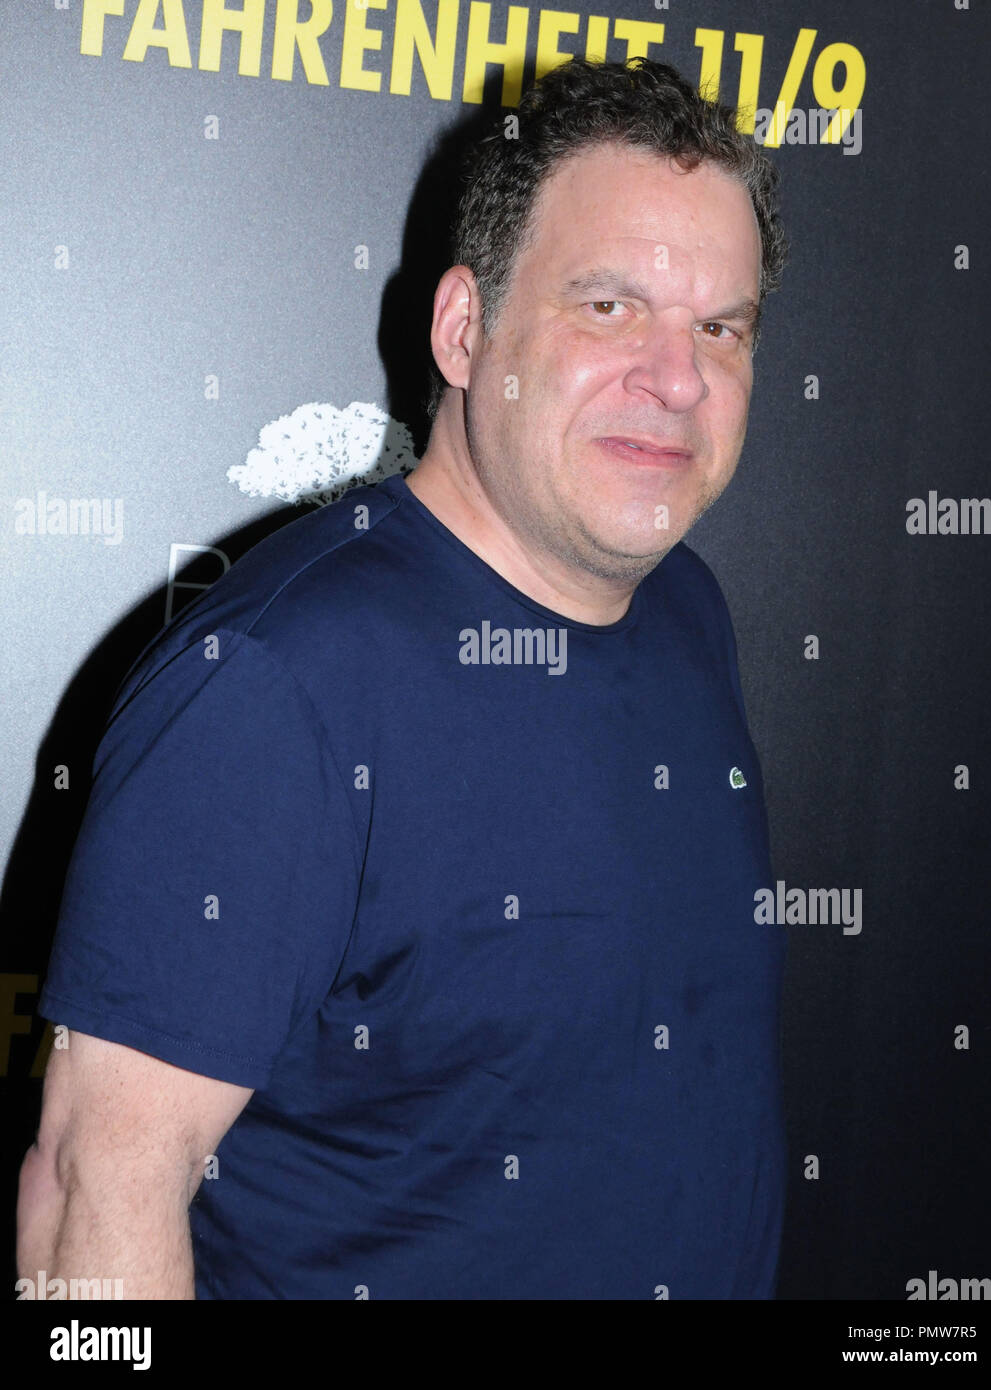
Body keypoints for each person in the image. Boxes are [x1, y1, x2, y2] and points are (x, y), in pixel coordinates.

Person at [18, 55, 788, 1300]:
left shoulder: (688, 611)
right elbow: (87, 1198)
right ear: (464, 330)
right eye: (607, 307)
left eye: (720, 327)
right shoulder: (272, 686)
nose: (678, 376)